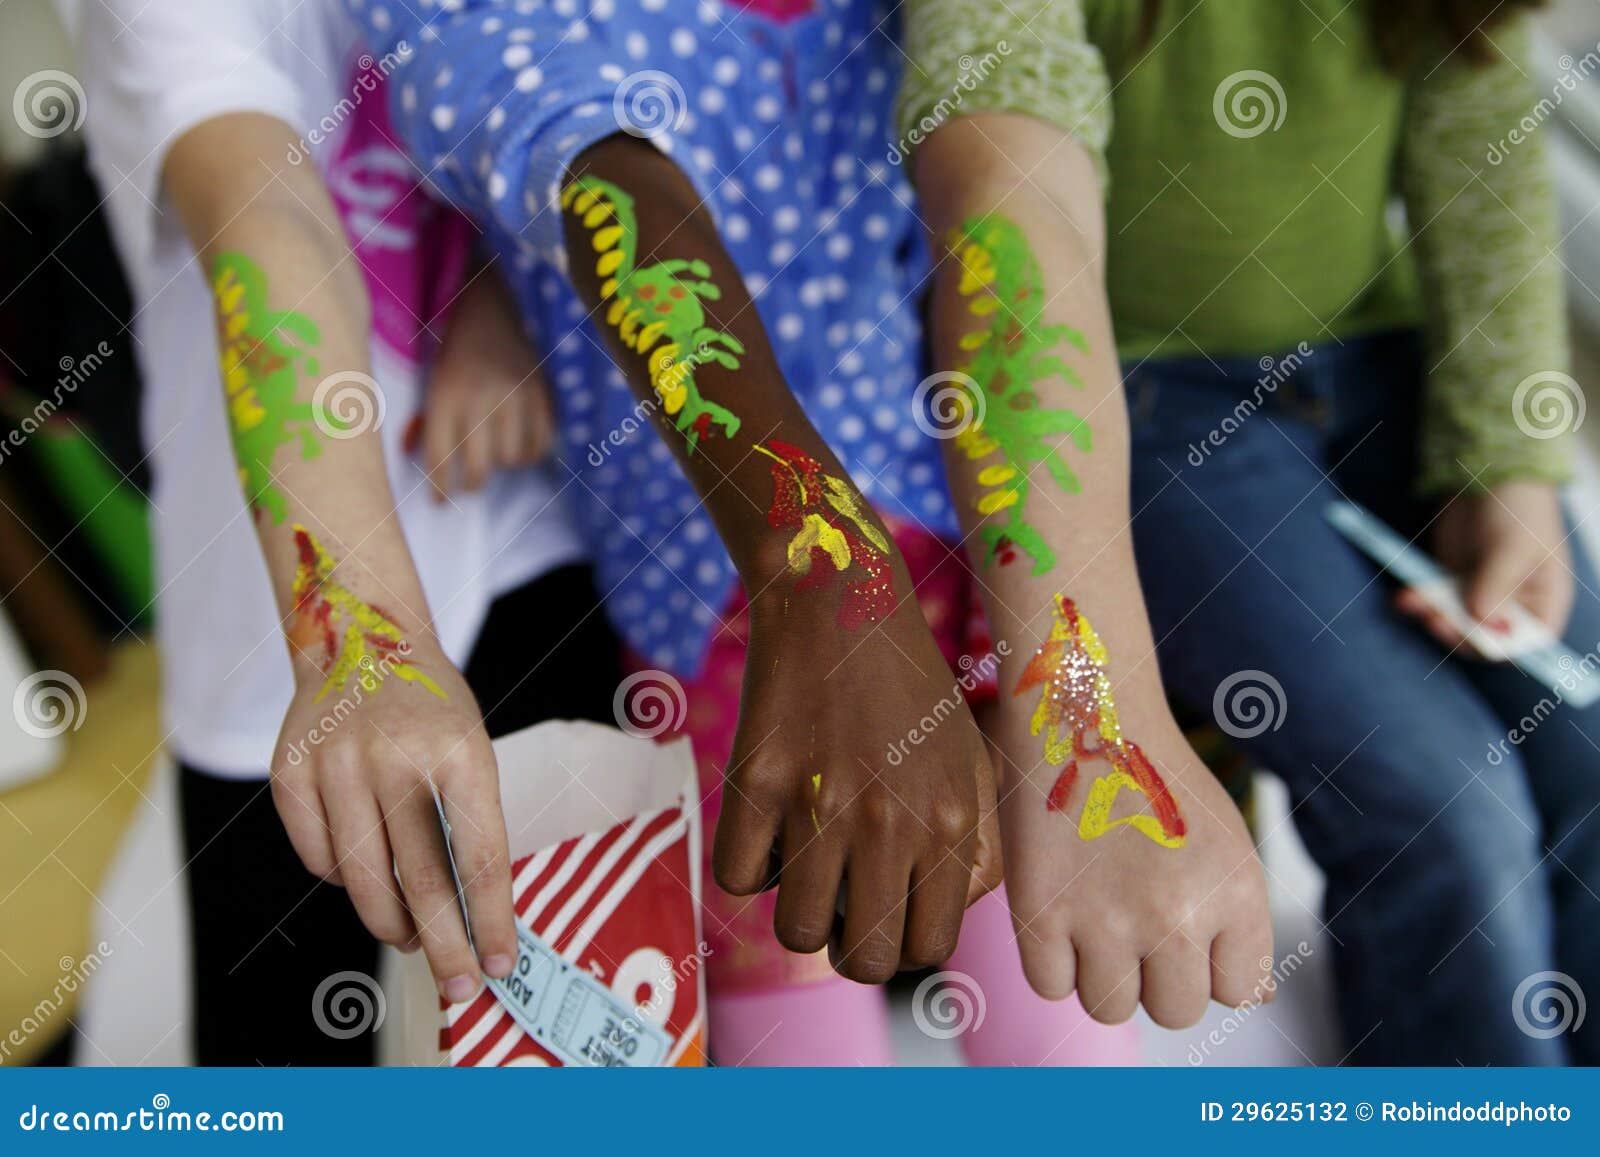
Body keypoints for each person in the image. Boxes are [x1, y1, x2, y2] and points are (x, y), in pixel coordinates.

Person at [346, 0, 1272, 1065]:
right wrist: (824, 570)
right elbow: (567, 147)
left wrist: (1096, 711)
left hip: (970, 538)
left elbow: (1008, 160)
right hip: (715, 594)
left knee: (1051, 969)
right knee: (794, 991)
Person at [898, 0, 1600, 1064]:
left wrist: (1509, 460)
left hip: (1381, 357)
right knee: (1443, 805)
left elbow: (1480, 107)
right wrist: (1100, 723)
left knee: (1584, 742)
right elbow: (1008, 188)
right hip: (1145, 404)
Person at [77, 0, 619, 1065]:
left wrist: (502, 289)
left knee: (592, 1029)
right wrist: (370, 645)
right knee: (280, 1052)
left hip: (542, 521)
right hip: (280, 618)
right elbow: (263, 212)